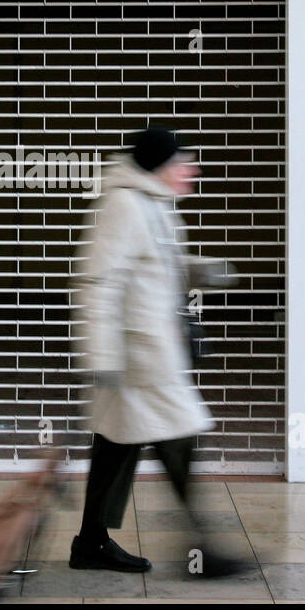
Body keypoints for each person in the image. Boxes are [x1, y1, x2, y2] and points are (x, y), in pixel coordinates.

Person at [70, 125, 248, 577]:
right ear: (160, 168)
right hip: (138, 363)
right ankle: (204, 548)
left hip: (144, 360)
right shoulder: (124, 206)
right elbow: (99, 283)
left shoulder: (153, 205)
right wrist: (100, 357)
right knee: (180, 442)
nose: (192, 169)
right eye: (183, 162)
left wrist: (201, 269)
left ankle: (91, 543)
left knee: (115, 449)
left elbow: (154, 264)